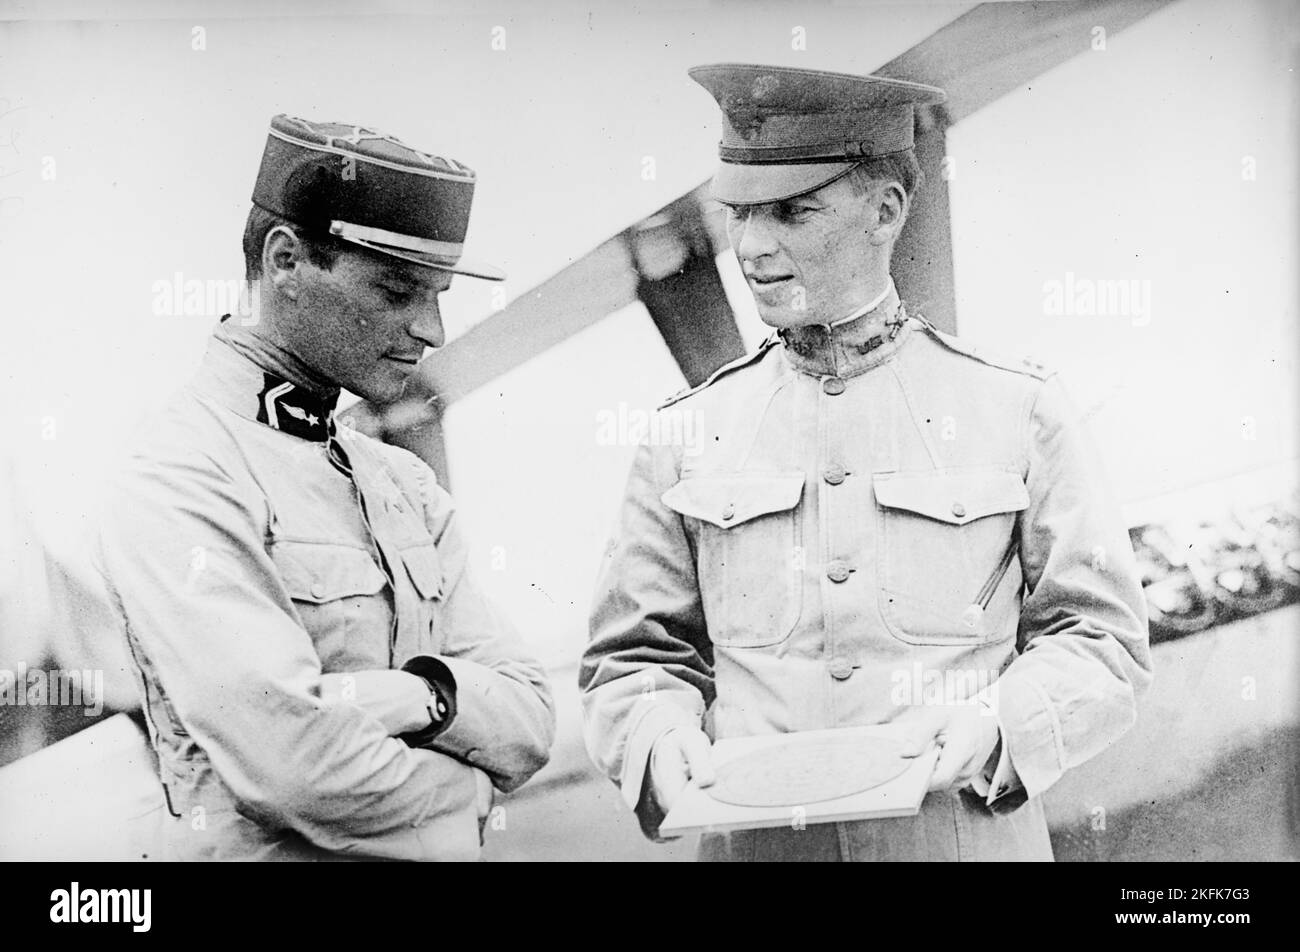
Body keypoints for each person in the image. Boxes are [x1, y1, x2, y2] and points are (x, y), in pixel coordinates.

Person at [579, 65, 1152, 861]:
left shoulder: (1015, 408)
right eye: (741, 213)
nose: (751, 246)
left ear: (886, 211)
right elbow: (634, 657)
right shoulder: (686, 433)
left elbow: (1101, 639)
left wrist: (997, 727)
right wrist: (654, 737)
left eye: (791, 212)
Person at [95, 115, 555, 861]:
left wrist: (422, 698)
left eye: (436, 293)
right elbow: (298, 769)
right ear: (285, 261)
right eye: (399, 290)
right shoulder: (178, 475)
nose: (431, 329)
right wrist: (468, 787)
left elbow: (533, 719)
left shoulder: (400, 481)